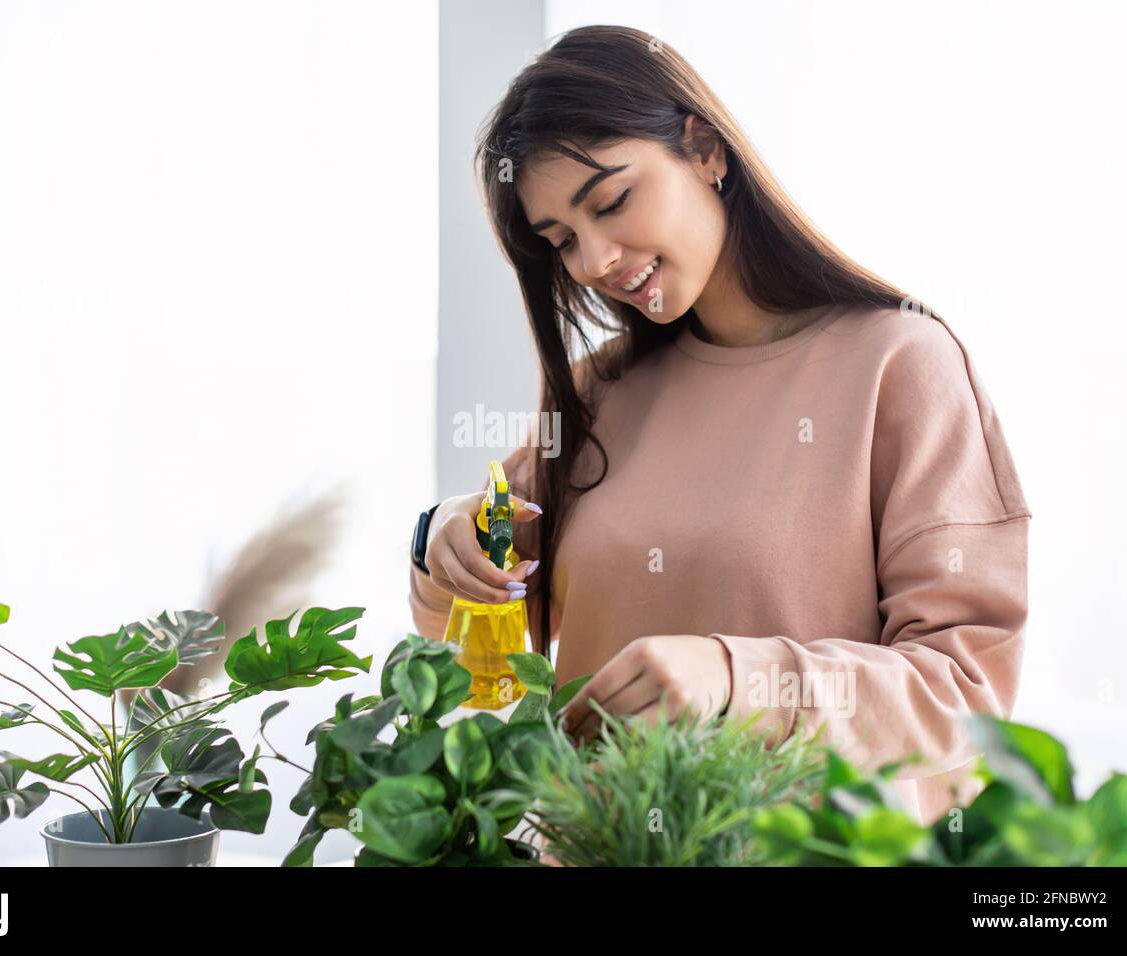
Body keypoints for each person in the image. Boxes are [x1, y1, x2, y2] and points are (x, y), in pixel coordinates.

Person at [409, 25, 1031, 828]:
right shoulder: (602, 389)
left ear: (706, 150)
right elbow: (475, 656)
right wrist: (445, 546)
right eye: (561, 240)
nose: (594, 261)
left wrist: (739, 681)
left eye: (611, 202)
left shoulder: (900, 365)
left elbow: (964, 693)